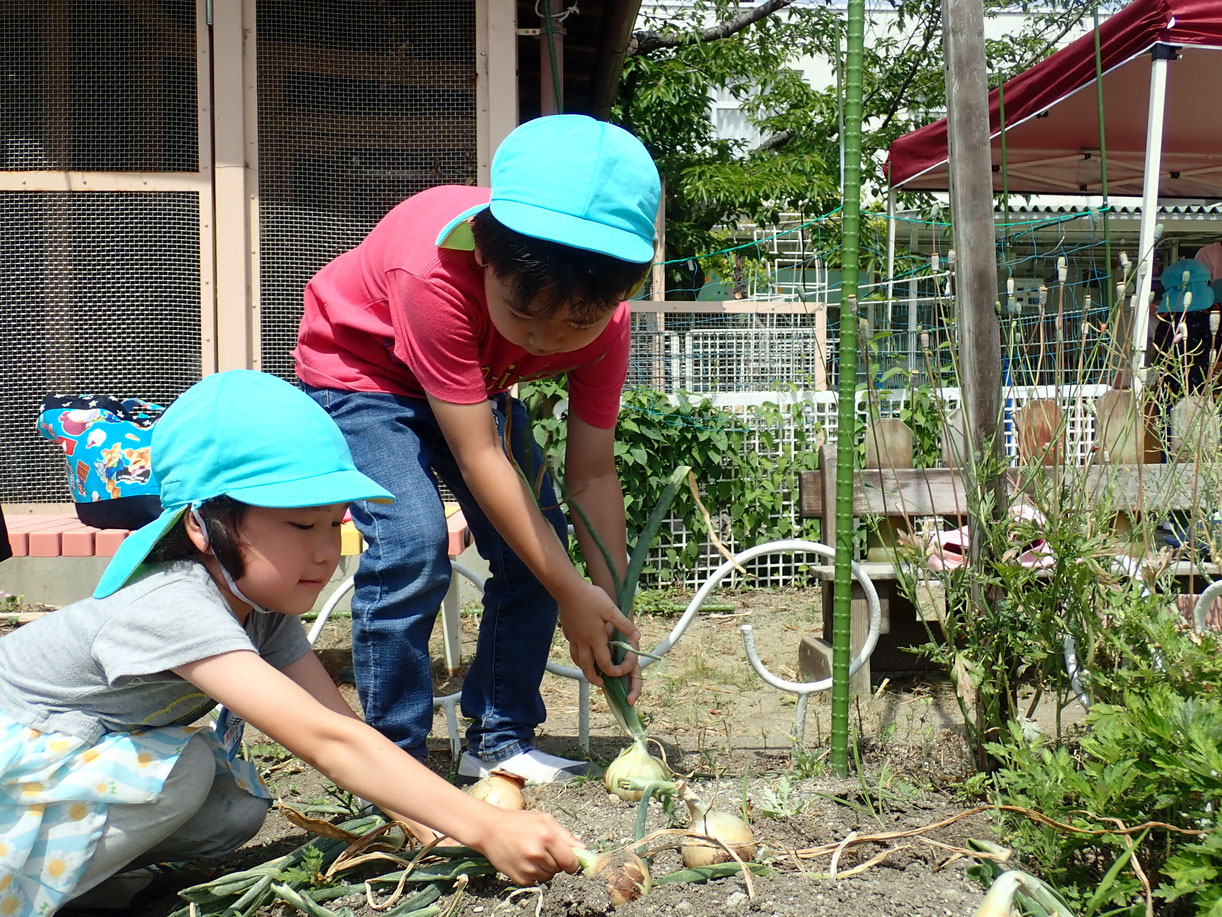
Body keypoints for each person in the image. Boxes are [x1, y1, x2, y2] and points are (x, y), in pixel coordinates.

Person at [0, 371, 580, 916]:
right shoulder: (171, 604)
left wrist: (431, 824)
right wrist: (485, 826)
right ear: (201, 525)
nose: (326, 551)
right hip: (16, 758)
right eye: (302, 526)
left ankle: (83, 881)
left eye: (334, 523)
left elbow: (339, 724)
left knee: (232, 806)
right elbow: (327, 741)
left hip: (65, 764)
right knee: (184, 772)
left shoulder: (260, 610)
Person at [293, 114, 661, 784]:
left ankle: (497, 740)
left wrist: (605, 606)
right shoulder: (433, 275)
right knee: (412, 542)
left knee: (538, 549)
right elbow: (479, 455)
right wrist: (570, 589)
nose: (547, 340)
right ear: (486, 256)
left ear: (622, 292)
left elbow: (592, 473)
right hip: (364, 373)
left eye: (577, 322)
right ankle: (395, 763)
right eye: (524, 314)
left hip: (472, 387)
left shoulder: (607, 326)